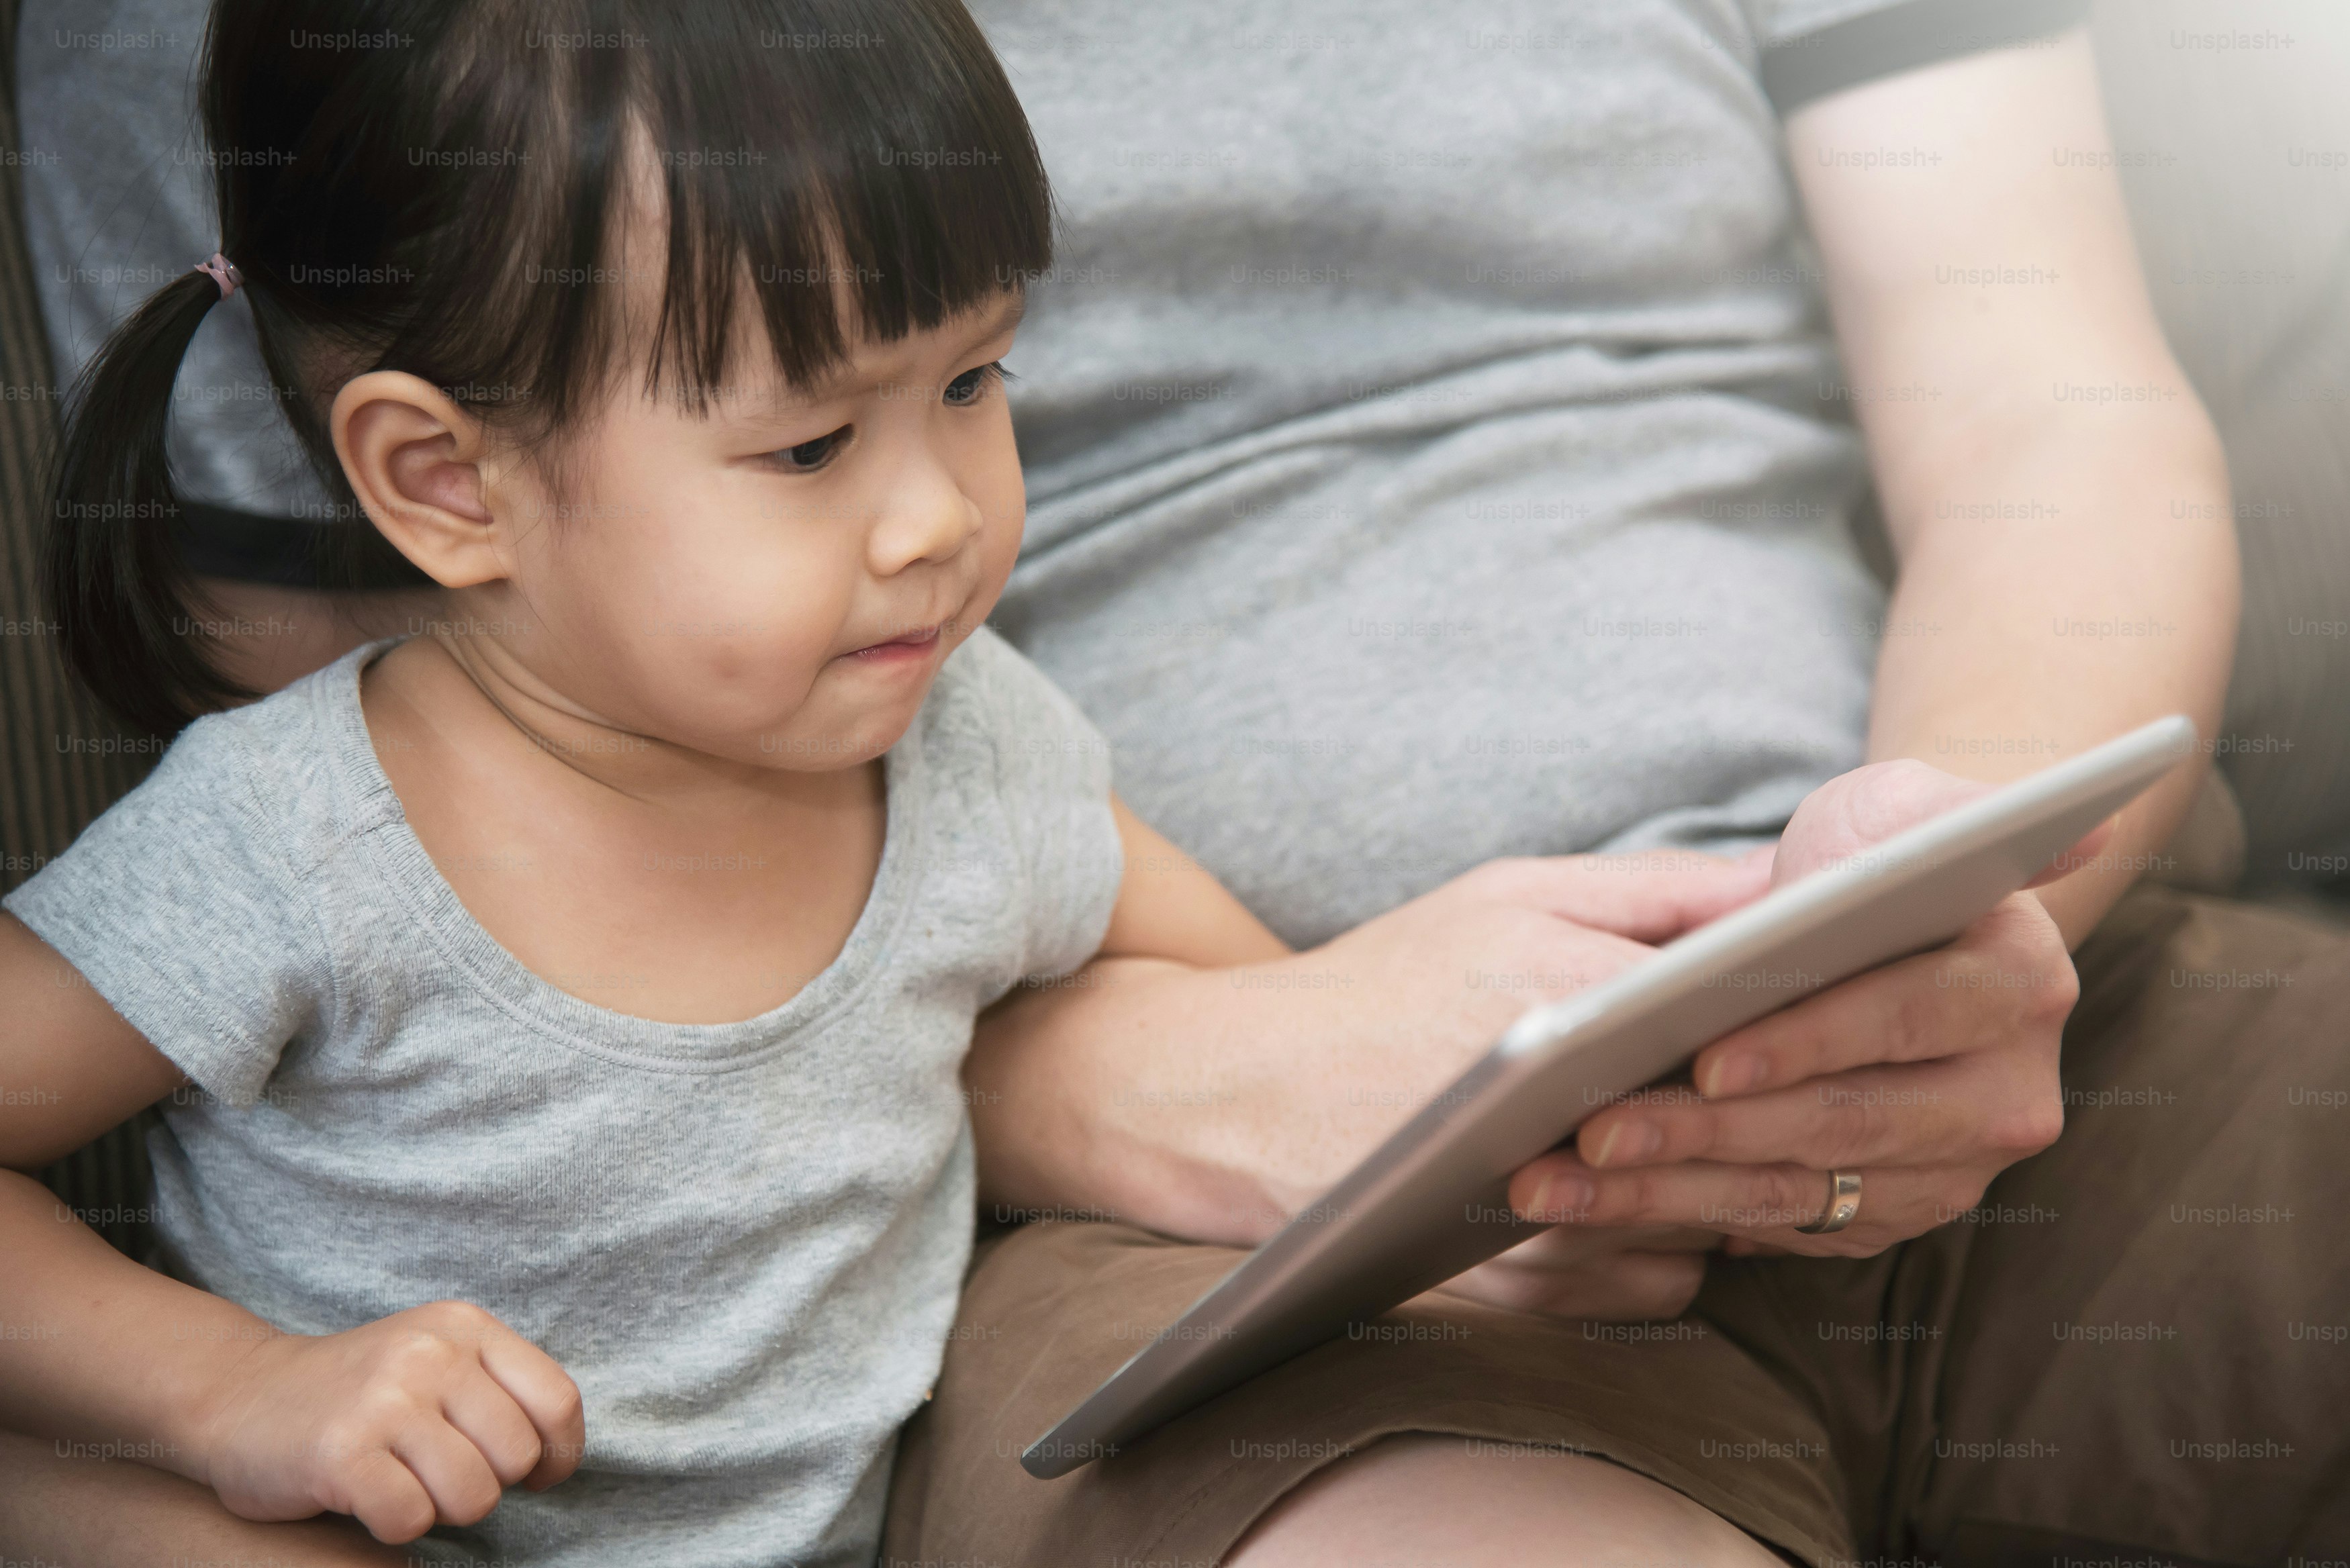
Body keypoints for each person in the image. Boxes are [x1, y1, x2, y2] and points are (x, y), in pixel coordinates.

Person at [9, 1, 2345, 1565]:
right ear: (435, 480)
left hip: (1837, 1007)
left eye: (983, 388)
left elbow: (2052, 399)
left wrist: (1850, 929)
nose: (937, 523)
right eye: (813, 442)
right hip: (1160, 1272)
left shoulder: (982, 735)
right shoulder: (304, 824)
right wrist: (221, 1392)